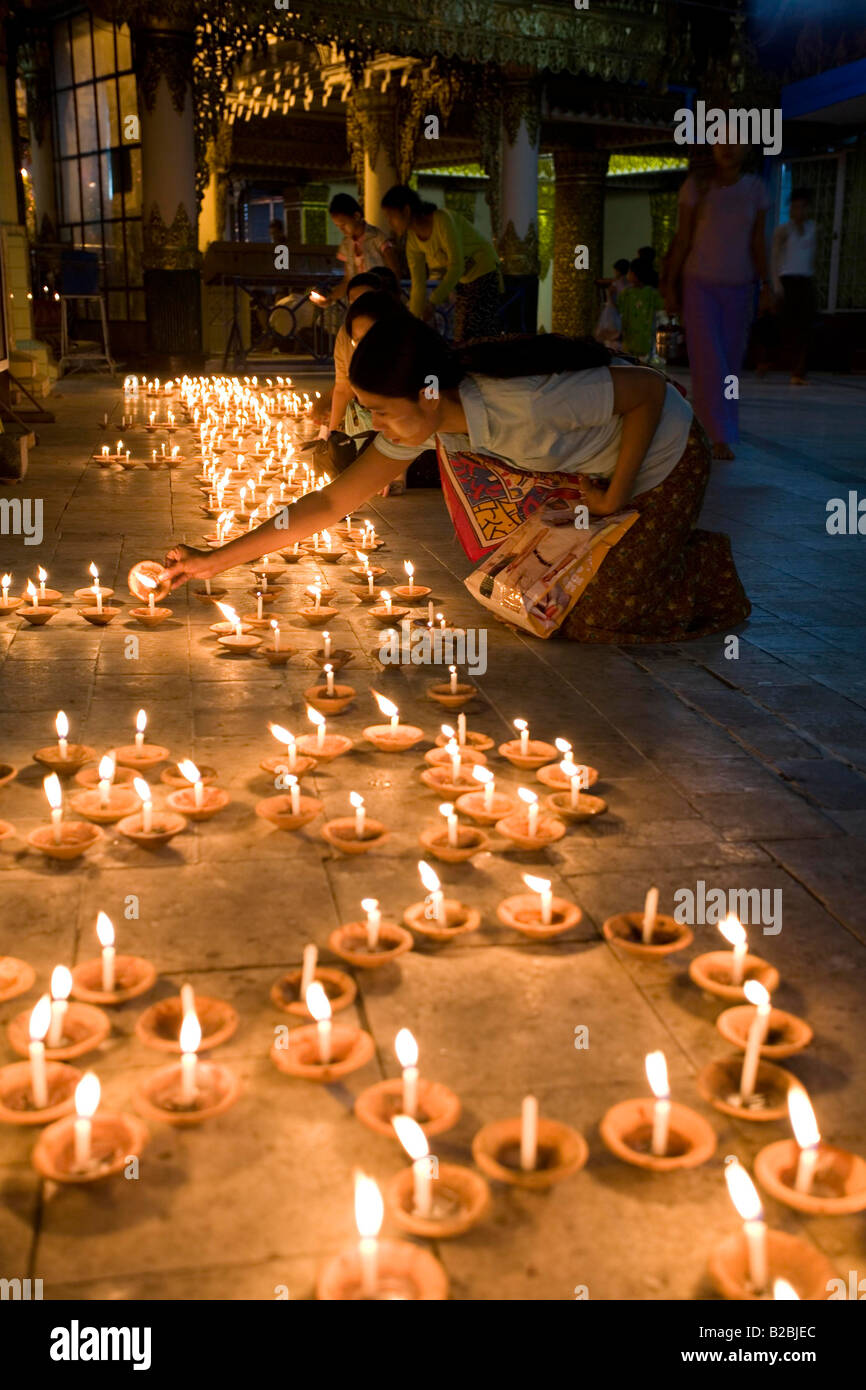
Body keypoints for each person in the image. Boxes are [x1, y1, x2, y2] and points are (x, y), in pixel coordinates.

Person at [163, 319, 750, 644]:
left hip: (665, 456)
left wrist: (618, 497)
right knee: (535, 603)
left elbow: (648, 394)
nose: (379, 428)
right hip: (592, 473)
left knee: (599, 618)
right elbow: (328, 502)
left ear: (426, 393)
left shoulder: (523, 404)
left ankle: (697, 561)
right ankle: (643, 546)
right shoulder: (425, 419)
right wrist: (216, 559)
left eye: (383, 411)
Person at [663, 144, 772, 460]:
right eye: (723, 140)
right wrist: (670, 284)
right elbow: (682, 238)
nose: (729, 148)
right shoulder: (696, 186)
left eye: (737, 141)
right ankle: (716, 435)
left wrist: (766, 284)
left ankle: (721, 430)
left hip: (740, 286)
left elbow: (757, 241)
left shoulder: (756, 189)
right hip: (700, 285)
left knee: (730, 366)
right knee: (709, 363)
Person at [380, 185, 502, 340]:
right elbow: (418, 285)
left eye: (391, 216)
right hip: (464, 280)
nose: (389, 223)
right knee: (462, 333)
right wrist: (413, 321)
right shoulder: (413, 242)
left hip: (484, 270)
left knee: (475, 332)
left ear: (406, 210)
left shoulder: (442, 220)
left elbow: (456, 266)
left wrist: (432, 302)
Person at [771, 188, 816, 385]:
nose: (797, 210)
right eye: (794, 207)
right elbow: (774, 259)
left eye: (801, 207)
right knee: (786, 325)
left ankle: (799, 370)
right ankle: (776, 362)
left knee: (805, 325)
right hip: (787, 281)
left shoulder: (812, 229)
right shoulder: (783, 231)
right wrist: (776, 286)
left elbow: (814, 258)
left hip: (805, 280)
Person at [323, 194, 400, 305]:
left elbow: (394, 271)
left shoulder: (377, 238)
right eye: (338, 226)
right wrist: (330, 298)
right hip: (359, 302)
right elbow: (348, 279)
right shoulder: (346, 245)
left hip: (380, 300)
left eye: (344, 225)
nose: (342, 230)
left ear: (356, 216)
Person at [617, 260, 665, 359]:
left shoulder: (651, 293)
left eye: (630, 272)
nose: (628, 275)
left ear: (636, 274)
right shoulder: (627, 293)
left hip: (644, 334)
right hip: (632, 334)